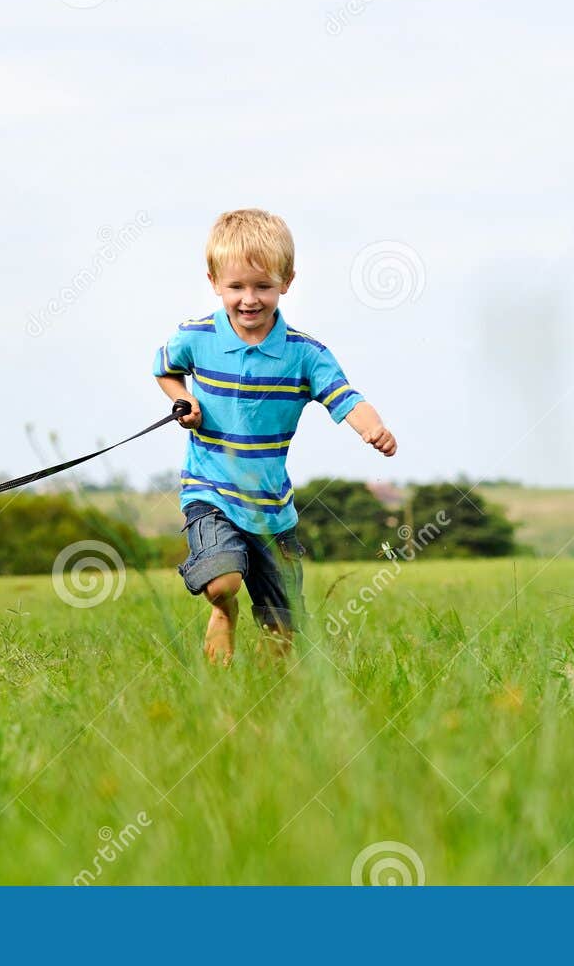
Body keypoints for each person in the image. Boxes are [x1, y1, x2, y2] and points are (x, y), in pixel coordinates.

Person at [153, 209, 397, 664]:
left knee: (281, 630)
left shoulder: (305, 354)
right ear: (214, 282)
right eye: (236, 287)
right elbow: (163, 369)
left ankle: (267, 695)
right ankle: (224, 611)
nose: (249, 299)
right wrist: (183, 398)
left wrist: (373, 428)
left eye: (262, 286)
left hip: (271, 507)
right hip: (210, 489)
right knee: (221, 581)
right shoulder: (196, 337)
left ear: (287, 281)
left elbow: (345, 396)